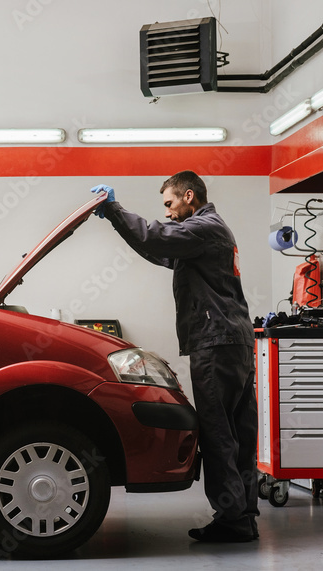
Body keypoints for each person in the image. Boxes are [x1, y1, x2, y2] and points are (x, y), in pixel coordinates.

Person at [90, 171, 259, 543]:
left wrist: (115, 209)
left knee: (218, 433)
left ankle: (232, 520)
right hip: (234, 342)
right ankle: (243, 515)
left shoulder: (203, 227)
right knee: (238, 434)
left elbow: (157, 236)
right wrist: (119, 224)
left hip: (216, 343)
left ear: (188, 195)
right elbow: (158, 248)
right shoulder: (206, 232)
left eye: (169, 204)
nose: (166, 212)